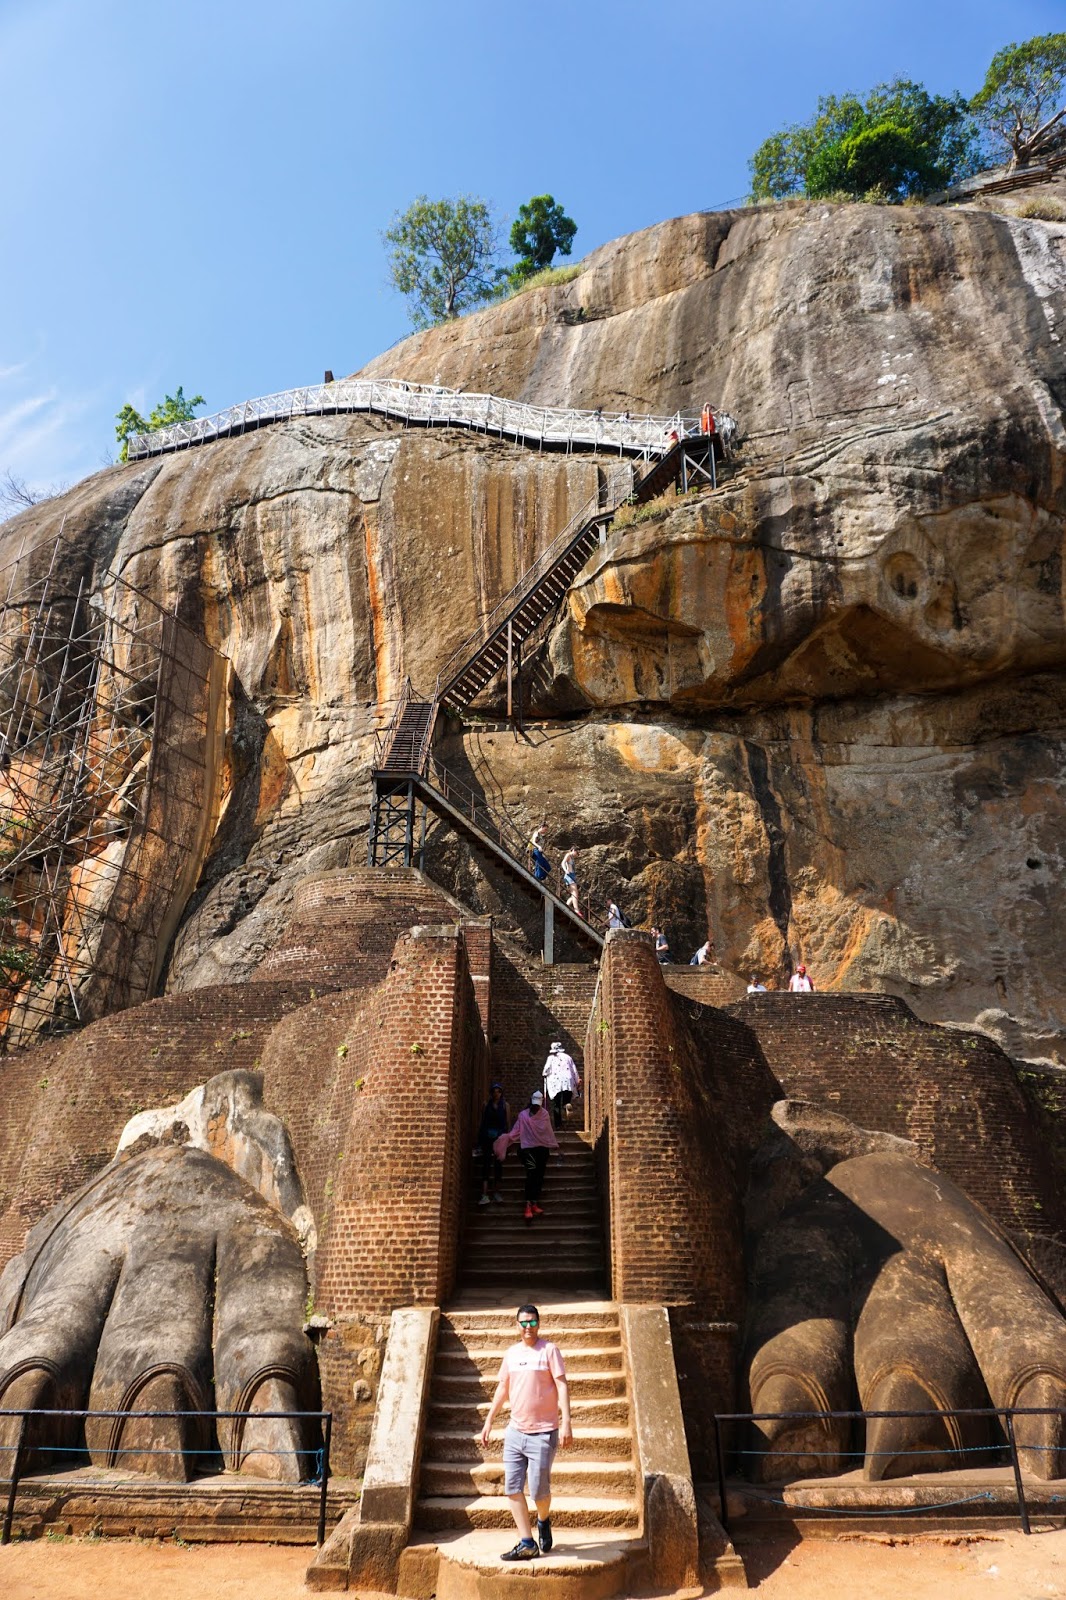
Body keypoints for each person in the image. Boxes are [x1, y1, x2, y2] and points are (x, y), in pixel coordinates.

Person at [481, 1304, 572, 1561]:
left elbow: (562, 1386)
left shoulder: (549, 1351)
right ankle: (527, 1542)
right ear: (517, 1325)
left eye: (532, 1322)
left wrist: (566, 1421)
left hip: (543, 1433)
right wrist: (489, 1421)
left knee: (539, 1492)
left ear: (539, 1324)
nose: (528, 1327)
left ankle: (543, 1519)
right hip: (514, 1432)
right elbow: (502, 1389)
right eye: (523, 1323)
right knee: (512, 1487)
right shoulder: (511, 1354)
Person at [502, 1090, 559, 1220]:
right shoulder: (523, 1116)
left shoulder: (544, 1115)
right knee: (531, 1174)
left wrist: (552, 1143)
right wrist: (507, 1139)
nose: (536, 1107)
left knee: (539, 1176)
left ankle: (534, 1203)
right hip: (527, 1150)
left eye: (538, 1105)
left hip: (542, 1150)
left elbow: (547, 1131)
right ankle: (527, 1204)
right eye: (534, 1104)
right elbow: (516, 1130)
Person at [477, 1082, 510, 1206]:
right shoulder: (486, 1105)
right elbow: (482, 1122)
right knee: (486, 1164)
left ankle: (497, 1192)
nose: (497, 1094)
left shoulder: (505, 1106)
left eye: (499, 1091)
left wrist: (508, 1140)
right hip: (487, 1138)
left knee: (498, 1165)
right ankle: (484, 1194)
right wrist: (480, 1139)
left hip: (500, 1138)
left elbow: (507, 1123)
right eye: (494, 1091)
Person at [542, 1042, 581, 1130]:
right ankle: (567, 1104)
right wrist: (577, 1081)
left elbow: (546, 1070)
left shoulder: (551, 1058)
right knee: (566, 1100)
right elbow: (574, 1071)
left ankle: (558, 1125)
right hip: (568, 1082)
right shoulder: (568, 1057)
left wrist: (544, 1074)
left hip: (555, 1084)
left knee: (556, 1105)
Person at [560, 848, 580, 916]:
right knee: (575, 893)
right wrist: (565, 870)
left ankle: (566, 907)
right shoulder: (568, 855)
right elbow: (563, 863)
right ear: (573, 850)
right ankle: (576, 910)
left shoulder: (572, 857)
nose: (577, 855)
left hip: (572, 876)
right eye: (577, 853)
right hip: (569, 875)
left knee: (574, 894)